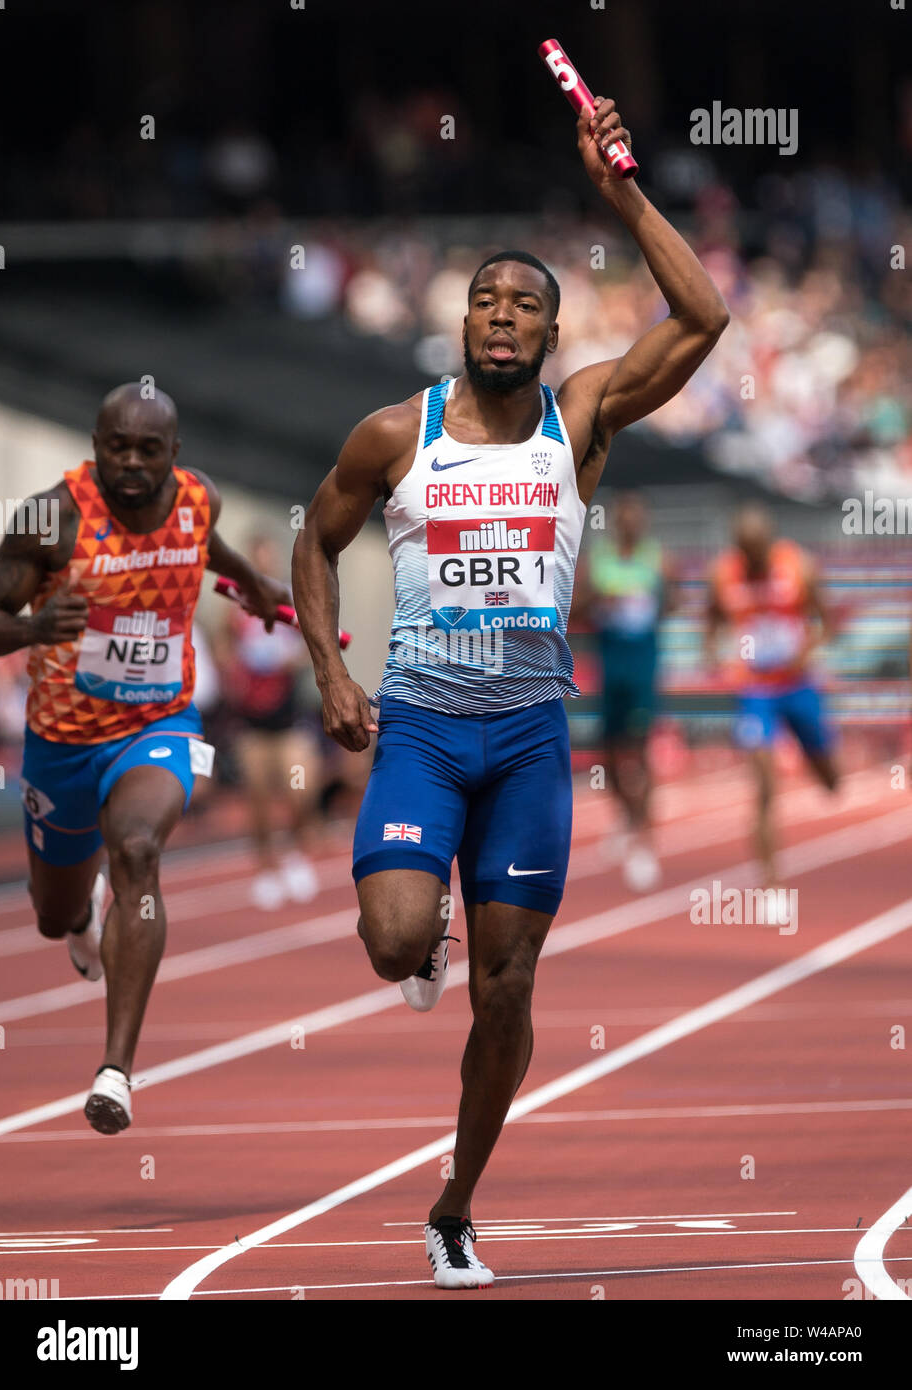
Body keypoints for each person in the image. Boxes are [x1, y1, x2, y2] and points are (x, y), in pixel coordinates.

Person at [293, 95, 729, 1288]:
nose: (502, 315)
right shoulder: (395, 434)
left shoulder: (578, 419)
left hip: (530, 738)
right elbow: (314, 543)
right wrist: (331, 663)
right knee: (393, 946)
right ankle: (417, 925)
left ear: (548, 329)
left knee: (509, 985)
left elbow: (705, 314)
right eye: (485, 298)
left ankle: (454, 1201)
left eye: (525, 303)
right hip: (424, 732)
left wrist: (621, 195)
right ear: (461, 320)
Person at [0, 383, 288, 1134]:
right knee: (55, 917)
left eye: (146, 450)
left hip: (160, 722)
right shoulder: (47, 517)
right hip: (62, 741)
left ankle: (116, 1069)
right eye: (114, 446)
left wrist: (251, 584)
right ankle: (81, 910)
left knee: (138, 849)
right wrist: (30, 632)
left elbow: (203, 544)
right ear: (93, 445)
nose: (128, 462)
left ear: (173, 454)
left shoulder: (199, 498)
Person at [705, 504, 839, 888]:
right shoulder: (723, 574)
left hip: (797, 683)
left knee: (831, 779)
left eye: (758, 549)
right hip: (755, 689)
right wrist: (717, 658)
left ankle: (819, 761)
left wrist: (807, 649)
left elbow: (827, 620)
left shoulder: (798, 565)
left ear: (770, 542)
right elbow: (710, 625)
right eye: (745, 550)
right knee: (763, 783)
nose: (752, 558)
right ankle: (770, 879)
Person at [214, 534, 321, 909]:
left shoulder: (290, 603)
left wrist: (289, 660)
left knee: (301, 790)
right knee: (258, 800)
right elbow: (223, 648)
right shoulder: (236, 610)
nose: (263, 568)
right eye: (256, 562)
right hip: (251, 719)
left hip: (288, 715)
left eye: (268, 561)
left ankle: (294, 853)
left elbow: (313, 646)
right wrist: (234, 669)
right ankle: (266, 869)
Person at [581, 489, 676, 891]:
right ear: (617, 520)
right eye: (626, 517)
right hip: (609, 664)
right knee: (607, 751)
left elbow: (673, 603)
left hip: (641, 665)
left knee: (638, 750)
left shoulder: (657, 559)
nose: (632, 523)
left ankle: (644, 840)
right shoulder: (599, 559)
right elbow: (577, 607)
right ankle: (626, 813)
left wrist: (646, 601)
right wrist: (605, 599)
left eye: (638, 517)